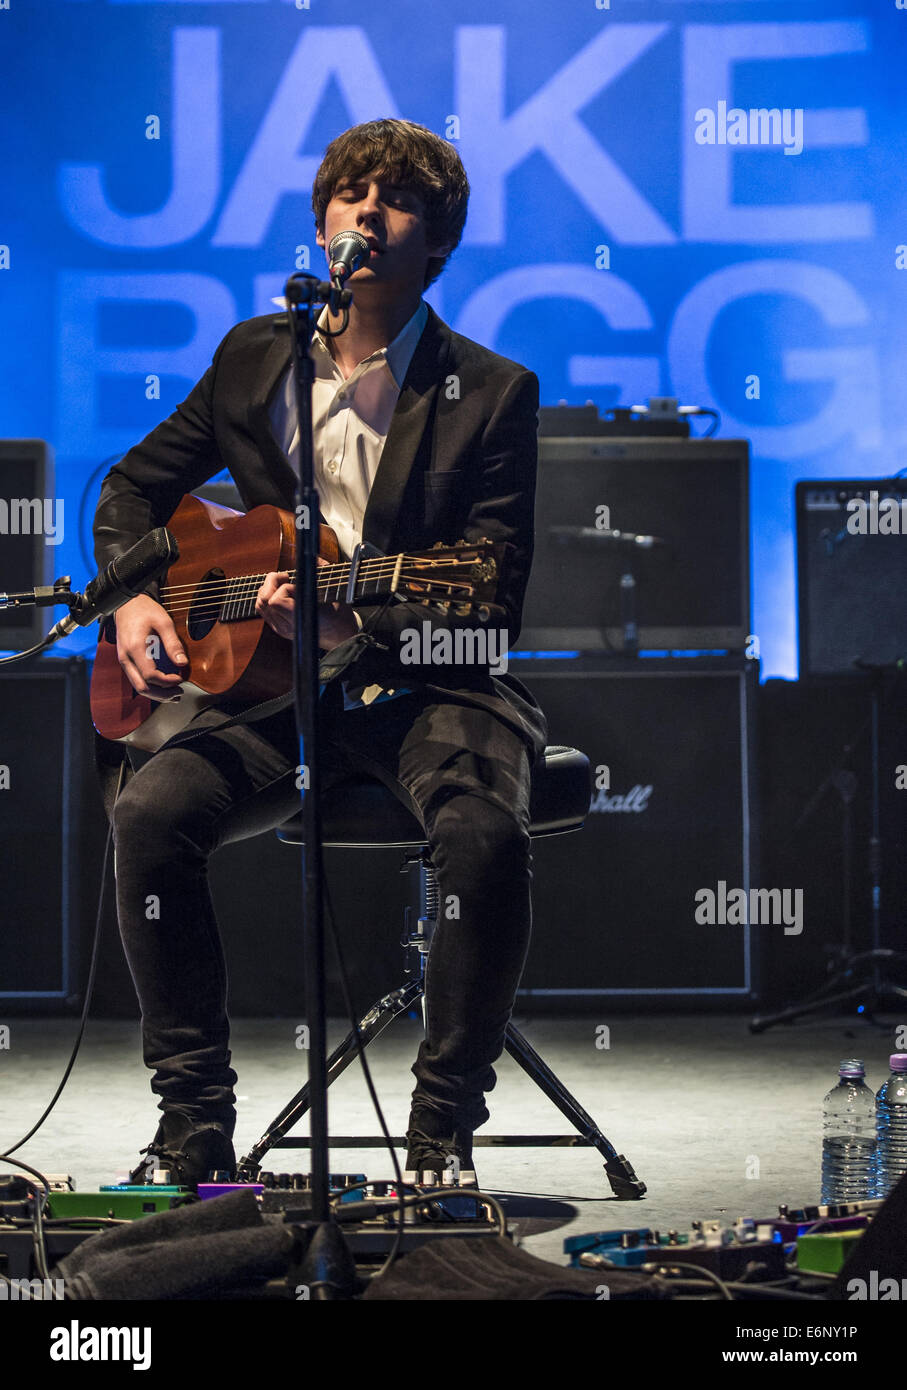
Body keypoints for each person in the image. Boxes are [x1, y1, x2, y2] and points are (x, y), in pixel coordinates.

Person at [92, 117, 548, 1188]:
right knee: (150, 816)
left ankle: (438, 1132)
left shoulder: (489, 393)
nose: (367, 216)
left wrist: (359, 623)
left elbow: (490, 602)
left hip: (428, 686)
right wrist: (131, 603)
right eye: (352, 196)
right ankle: (193, 1122)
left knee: (482, 836)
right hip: (272, 688)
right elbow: (130, 487)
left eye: (396, 202)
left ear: (433, 242)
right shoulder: (256, 357)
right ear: (322, 220)